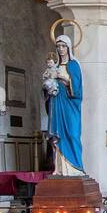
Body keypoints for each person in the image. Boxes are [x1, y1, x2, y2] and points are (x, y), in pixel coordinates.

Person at [46, 33, 85, 175]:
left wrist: (61, 77)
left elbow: (78, 89)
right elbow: (47, 85)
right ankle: (60, 169)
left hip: (71, 104)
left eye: (63, 46)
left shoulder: (74, 65)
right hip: (57, 103)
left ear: (68, 47)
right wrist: (48, 89)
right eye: (58, 46)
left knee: (73, 134)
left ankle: (76, 168)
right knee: (58, 136)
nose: (61, 49)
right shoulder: (53, 66)